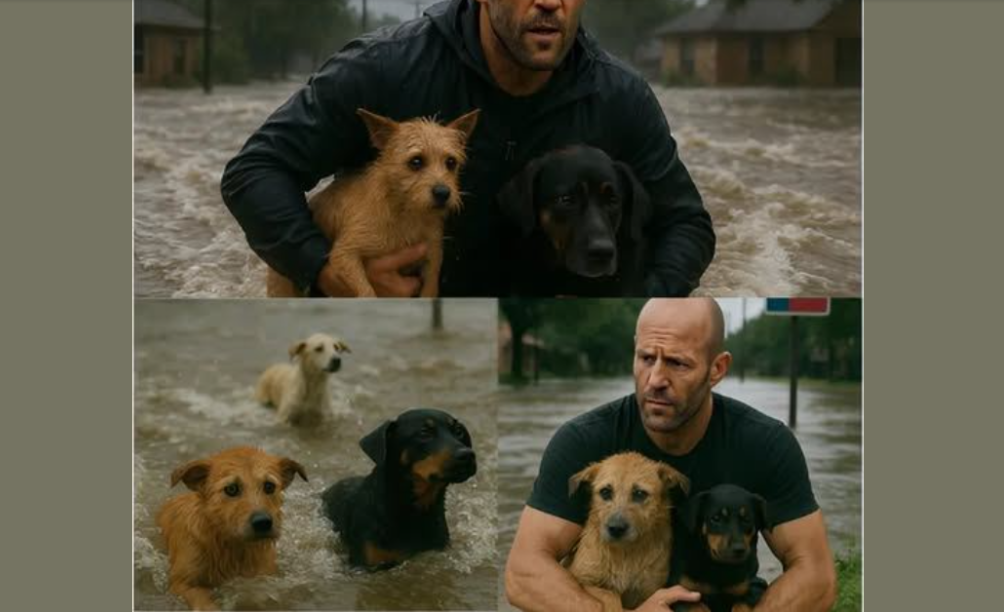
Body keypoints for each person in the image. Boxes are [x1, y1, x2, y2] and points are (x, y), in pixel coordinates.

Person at [220, 0, 714, 297]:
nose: (548, 2)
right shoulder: (386, 69)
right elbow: (256, 172)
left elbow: (686, 224)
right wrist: (325, 272)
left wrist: (637, 301)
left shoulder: (619, 98)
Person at [504, 298, 838, 612]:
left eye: (677, 363)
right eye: (646, 358)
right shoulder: (583, 440)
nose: (655, 380)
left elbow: (817, 578)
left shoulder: (766, 443)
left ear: (717, 369)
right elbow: (523, 574)